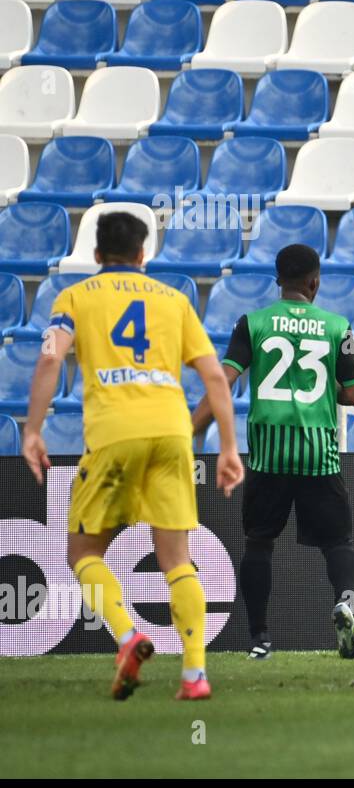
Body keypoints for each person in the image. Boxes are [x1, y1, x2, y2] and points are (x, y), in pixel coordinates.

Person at [22, 210, 243, 701]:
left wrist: (33, 429)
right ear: (144, 255)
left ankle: (128, 636)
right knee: (177, 560)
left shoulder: (75, 296)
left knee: (82, 552)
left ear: (97, 255)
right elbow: (213, 376)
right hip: (171, 432)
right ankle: (194, 677)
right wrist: (228, 446)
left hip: (114, 434)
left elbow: (50, 357)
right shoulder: (174, 300)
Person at [193, 245, 354, 660]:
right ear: (315, 282)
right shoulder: (336, 326)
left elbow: (225, 380)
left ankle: (260, 639)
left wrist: (189, 430)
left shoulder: (252, 323)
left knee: (259, 542)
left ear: (278, 282)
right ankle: (344, 601)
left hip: (269, 453)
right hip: (317, 452)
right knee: (337, 542)